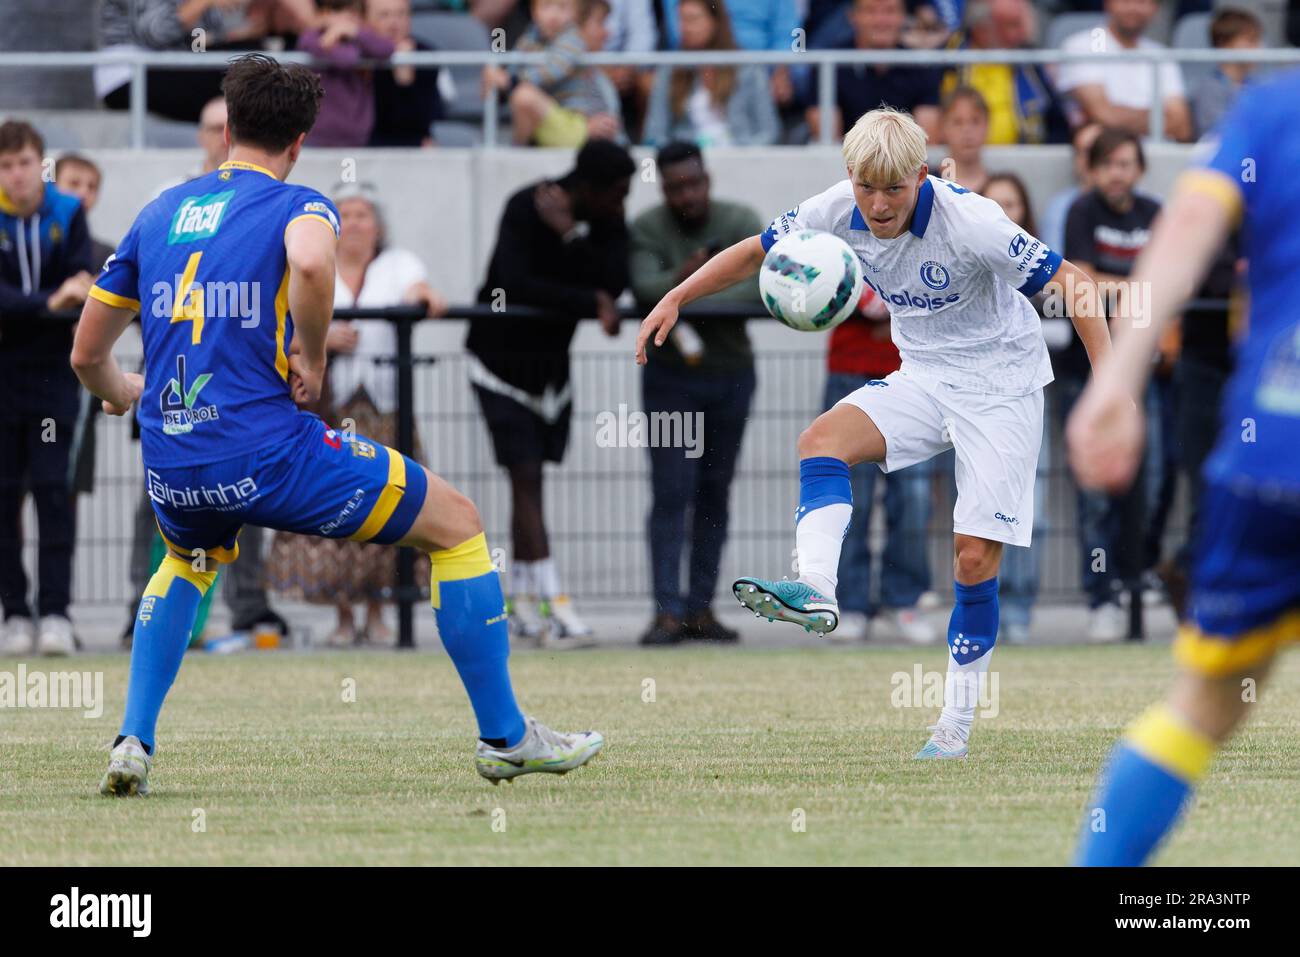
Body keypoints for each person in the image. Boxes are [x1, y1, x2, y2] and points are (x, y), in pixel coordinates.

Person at [76, 53, 602, 796]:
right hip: (267, 451)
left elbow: (85, 351)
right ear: (300, 142)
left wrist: (122, 388)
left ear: (226, 127)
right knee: (457, 524)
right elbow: (316, 268)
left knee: (185, 563)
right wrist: (311, 356)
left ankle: (133, 737)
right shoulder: (301, 204)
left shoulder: (157, 213)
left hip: (174, 459)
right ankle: (507, 737)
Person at [636, 107, 1113, 760]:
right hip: (925, 376)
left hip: (1002, 386)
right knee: (820, 440)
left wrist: (1112, 391)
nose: (879, 203)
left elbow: (1078, 290)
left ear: (920, 175)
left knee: (973, 559)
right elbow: (756, 251)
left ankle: (953, 727)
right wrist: (676, 297)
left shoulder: (970, 219)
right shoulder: (835, 208)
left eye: (895, 187)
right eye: (867, 187)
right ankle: (818, 590)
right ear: (850, 176)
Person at [1069, 67, 1300, 866]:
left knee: (1200, 707)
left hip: (1273, 447)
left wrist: (1116, 381)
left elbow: (1189, 226)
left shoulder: (1272, 107)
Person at [267, 182, 448, 647]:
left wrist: (425, 301)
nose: (354, 222)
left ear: (379, 224)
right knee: (336, 506)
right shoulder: (309, 264)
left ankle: (378, 611)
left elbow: (423, 293)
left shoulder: (398, 264)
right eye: (344, 213)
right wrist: (320, 342)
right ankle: (344, 616)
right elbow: (279, 332)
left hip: (386, 408)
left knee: (391, 501)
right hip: (332, 407)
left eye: (364, 213)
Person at [468, 139, 633, 648]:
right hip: (499, 367)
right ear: (587, 187)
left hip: (550, 375)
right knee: (527, 481)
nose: (621, 205)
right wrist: (589, 300)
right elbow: (512, 285)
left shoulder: (598, 222)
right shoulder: (524, 205)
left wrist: (571, 235)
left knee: (532, 485)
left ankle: (521, 606)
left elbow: (617, 281)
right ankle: (556, 606)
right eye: (616, 195)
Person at [628, 141, 764, 646]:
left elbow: (765, 284)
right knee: (671, 491)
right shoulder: (646, 227)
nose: (687, 195)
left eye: (695, 182)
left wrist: (683, 291)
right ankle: (666, 611)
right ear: (663, 188)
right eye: (676, 187)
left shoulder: (741, 219)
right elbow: (644, 288)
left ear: (707, 178)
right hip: (670, 380)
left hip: (731, 375)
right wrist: (687, 283)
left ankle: (701, 609)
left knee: (715, 490)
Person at [1061, 126, 1161, 640]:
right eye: (1109, 163)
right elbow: (1081, 280)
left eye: (1127, 162)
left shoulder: (1154, 213)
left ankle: (1133, 583)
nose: (1118, 173)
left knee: (1154, 478)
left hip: (1146, 373)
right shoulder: (1083, 213)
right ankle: (1101, 596)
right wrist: (1139, 290)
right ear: (1094, 170)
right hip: (1092, 374)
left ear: (1139, 168)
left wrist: (1127, 291)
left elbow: (1179, 280)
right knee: (1096, 490)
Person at [0, 120, 94, 658]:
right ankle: (15, 612)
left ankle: (56, 611)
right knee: (4, 495)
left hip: (55, 375)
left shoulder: (68, 213)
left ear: (42, 163)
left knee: (54, 492)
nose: (17, 175)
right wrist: (46, 303)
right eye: (6, 165)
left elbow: (83, 283)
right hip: (5, 374)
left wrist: (66, 296)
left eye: (24, 162)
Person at [982, 171, 1049, 643]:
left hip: (1023, 397)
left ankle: (1020, 610)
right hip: (965, 395)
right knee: (975, 519)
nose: (1005, 212)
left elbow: (1071, 305)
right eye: (995, 202)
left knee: (1029, 512)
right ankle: (982, 610)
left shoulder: (1037, 264)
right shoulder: (968, 255)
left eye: (1014, 203)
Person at [482, 0, 624, 147]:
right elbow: (514, 67)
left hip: (579, 123)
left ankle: (518, 149)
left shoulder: (573, 38)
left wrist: (510, 81)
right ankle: (520, 149)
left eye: (562, 7)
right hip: (553, 121)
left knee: (524, 96)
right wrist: (497, 76)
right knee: (517, 92)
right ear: (533, 11)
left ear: (575, 13)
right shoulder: (530, 38)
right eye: (546, 6)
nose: (553, 15)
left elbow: (554, 69)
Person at [641, 0, 779, 147]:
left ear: (715, 21)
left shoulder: (748, 69)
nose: (685, 28)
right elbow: (654, 134)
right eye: (681, 20)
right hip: (688, 162)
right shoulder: (669, 70)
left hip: (739, 157)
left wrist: (743, 155)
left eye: (693, 19)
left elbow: (769, 132)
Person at [802, 0, 942, 143]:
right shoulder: (830, 65)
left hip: (905, 163)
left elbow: (926, 140)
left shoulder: (922, 66)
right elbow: (827, 137)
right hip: (846, 163)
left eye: (890, 11)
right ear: (852, 16)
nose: (881, 20)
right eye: (870, 11)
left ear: (903, 16)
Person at [1055, 0, 1193, 142]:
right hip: (1107, 158)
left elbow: (1182, 127)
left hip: (1160, 155)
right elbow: (1104, 114)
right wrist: (1161, 119)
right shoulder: (1086, 43)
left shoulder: (1160, 53)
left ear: (1155, 8)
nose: (1133, 8)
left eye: (1142, 2)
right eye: (1125, 1)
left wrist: (1117, 116)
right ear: (1108, 3)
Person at [940, 0, 1070, 145]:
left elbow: (1057, 124)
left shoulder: (1028, 61)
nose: (1022, 33)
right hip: (961, 160)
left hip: (1025, 159)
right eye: (1011, 25)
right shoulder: (948, 59)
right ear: (982, 28)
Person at [298, 0, 396, 147]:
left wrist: (354, 32)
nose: (345, 18)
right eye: (336, 11)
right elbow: (347, 59)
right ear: (323, 14)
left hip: (357, 136)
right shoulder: (312, 37)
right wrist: (335, 36)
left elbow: (387, 48)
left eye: (352, 12)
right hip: (319, 135)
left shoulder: (361, 38)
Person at [366, 0, 445, 147]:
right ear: (365, 20)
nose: (394, 23)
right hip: (364, 146)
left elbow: (420, 124)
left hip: (412, 145)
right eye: (384, 15)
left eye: (401, 14)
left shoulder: (426, 55)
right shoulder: (358, 57)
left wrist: (404, 81)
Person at [1192, 6, 1263, 138]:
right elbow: (1216, 132)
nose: (1258, 48)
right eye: (1250, 41)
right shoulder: (1209, 88)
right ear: (1224, 43)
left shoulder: (1258, 86)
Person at [938, 86, 990, 194]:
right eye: (957, 122)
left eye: (975, 121)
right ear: (943, 127)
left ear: (987, 125)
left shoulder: (1000, 190)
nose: (967, 130)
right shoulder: (925, 185)